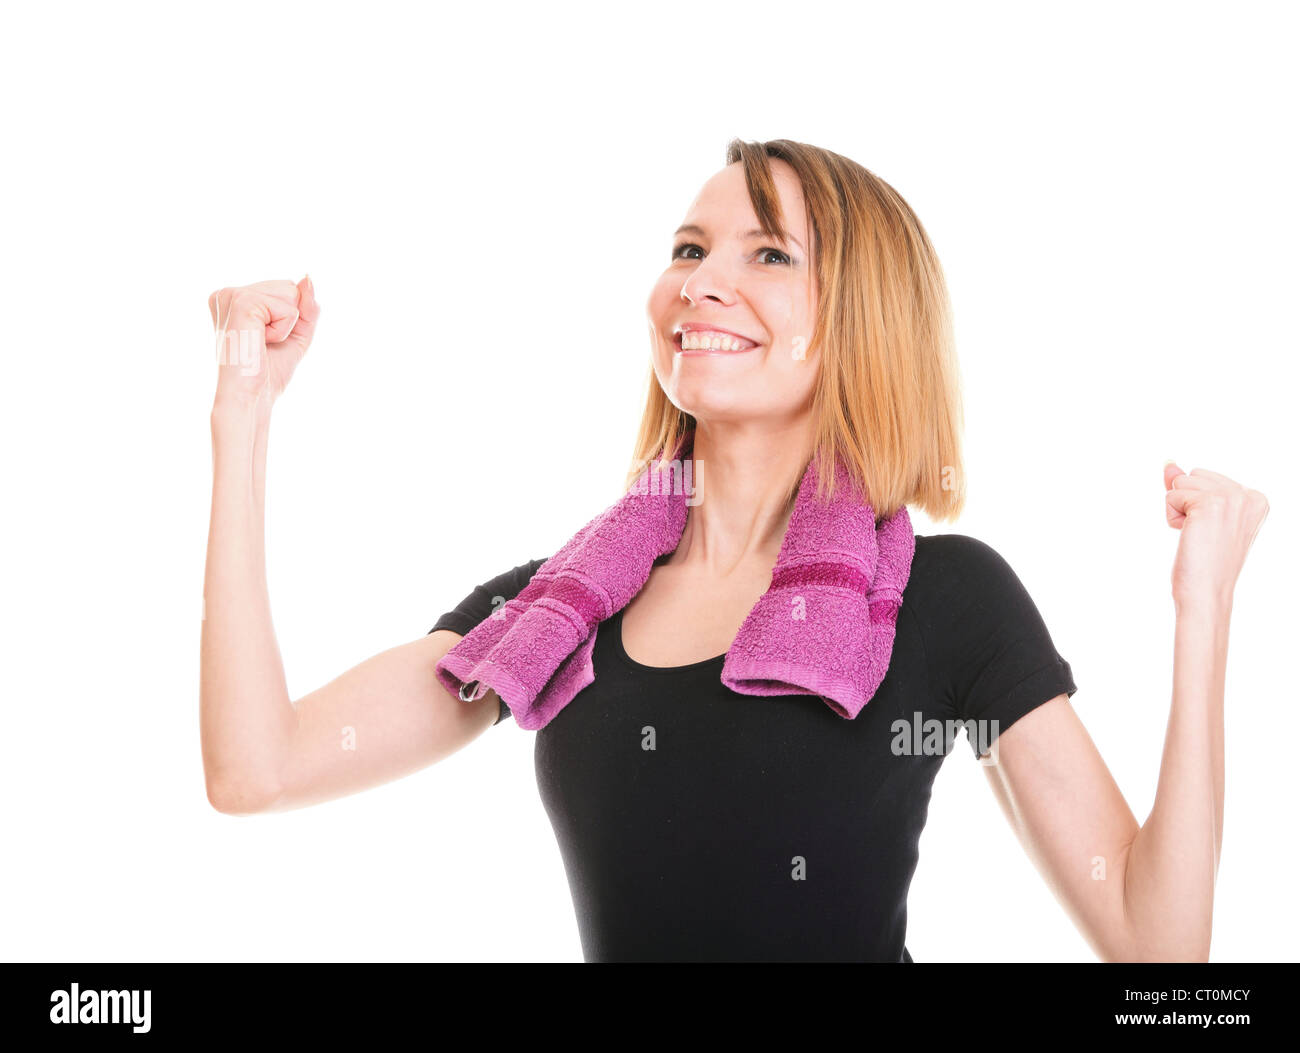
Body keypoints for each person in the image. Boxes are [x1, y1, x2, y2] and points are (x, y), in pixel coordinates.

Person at [200, 137, 1269, 962]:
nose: (699, 283)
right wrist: (243, 418)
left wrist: (1204, 609)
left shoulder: (940, 601)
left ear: (862, 317)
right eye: (686, 249)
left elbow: (1155, 945)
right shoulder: (552, 614)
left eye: (767, 254)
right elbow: (259, 769)